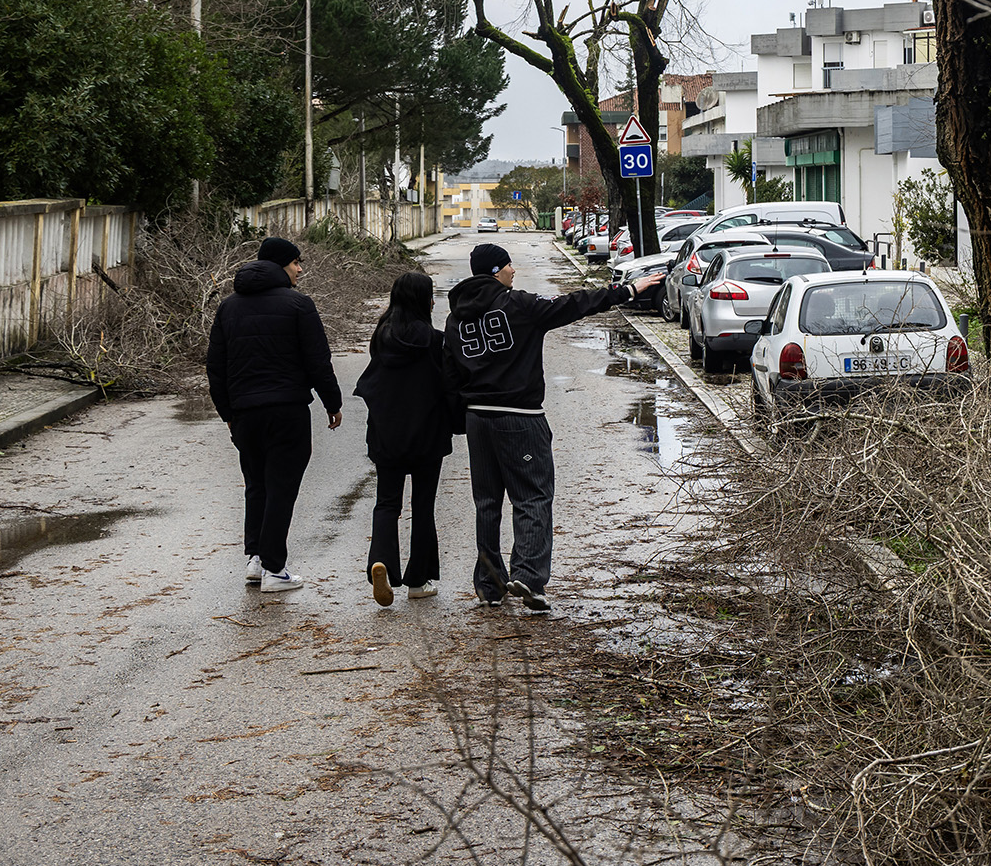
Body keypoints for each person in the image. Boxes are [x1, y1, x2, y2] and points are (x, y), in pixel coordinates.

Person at [443, 242, 663, 612]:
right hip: (520, 416)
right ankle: (528, 578)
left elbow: (449, 373)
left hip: (477, 418)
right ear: (497, 270)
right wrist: (625, 291)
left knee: (487, 502)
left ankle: (489, 584)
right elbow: (572, 304)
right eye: (509, 265)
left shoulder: (455, 318)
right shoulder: (519, 305)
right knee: (532, 497)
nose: (514, 271)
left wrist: (459, 420)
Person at [205, 236, 343, 594]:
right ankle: (275, 569)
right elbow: (317, 361)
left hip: (245, 415)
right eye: (296, 262)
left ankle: (255, 559)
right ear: (282, 264)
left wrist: (227, 413)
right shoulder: (299, 305)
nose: (300, 269)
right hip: (287, 411)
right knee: (281, 488)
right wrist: (332, 402)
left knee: (257, 485)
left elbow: (215, 368)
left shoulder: (228, 308)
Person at [353, 271, 457, 606]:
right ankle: (418, 580)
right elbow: (450, 386)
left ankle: (380, 561)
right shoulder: (436, 341)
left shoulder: (381, 338)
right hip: (428, 436)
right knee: (423, 506)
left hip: (387, 435)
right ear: (426, 301)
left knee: (386, 503)